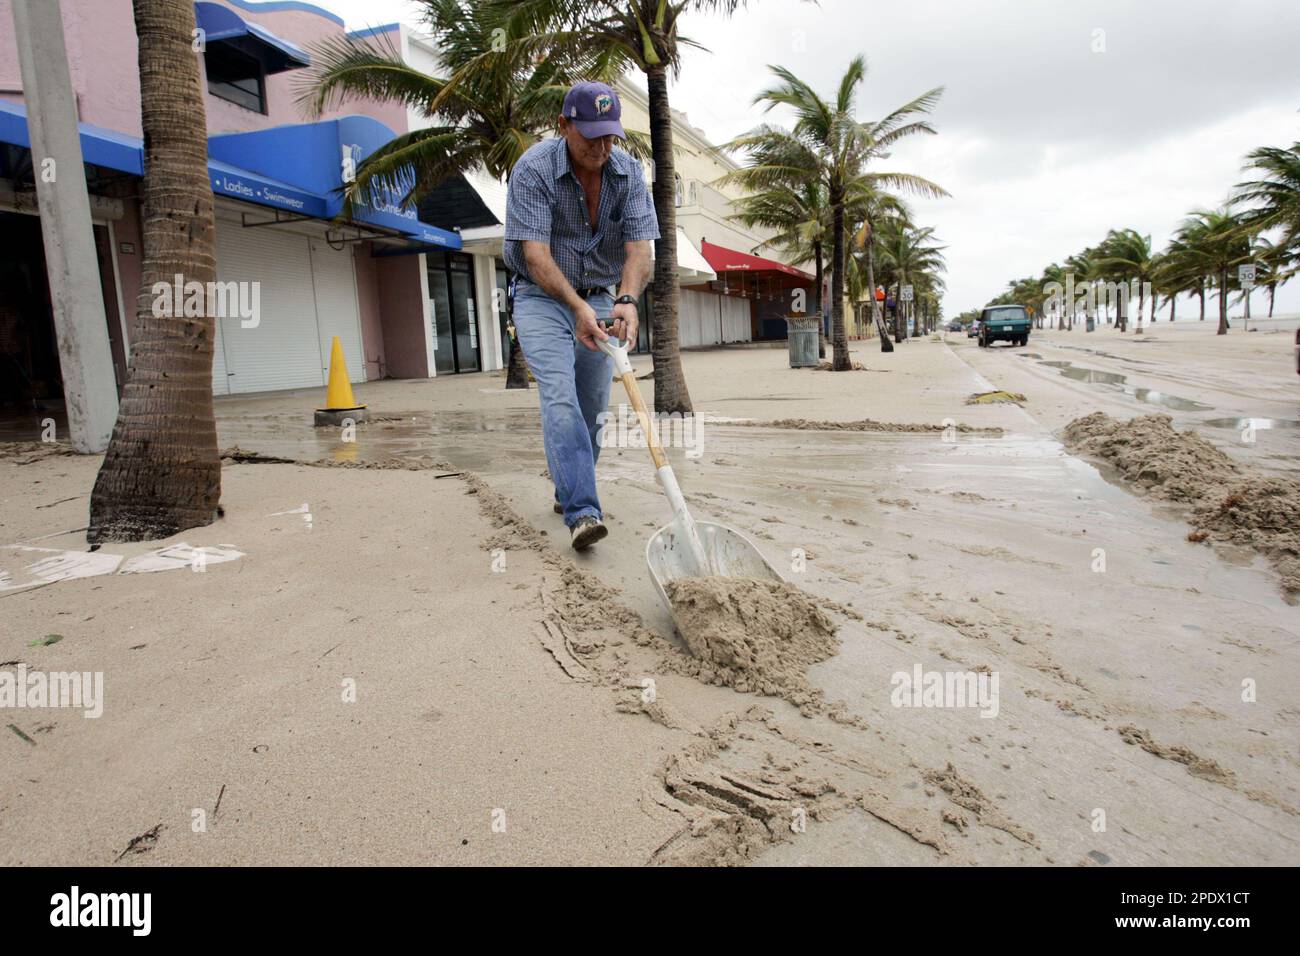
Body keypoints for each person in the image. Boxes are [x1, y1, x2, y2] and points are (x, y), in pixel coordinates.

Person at [503, 80, 659, 550]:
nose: (602, 146)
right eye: (590, 135)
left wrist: (627, 299)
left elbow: (639, 250)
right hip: (540, 296)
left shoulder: (628, 172)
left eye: (610, 135)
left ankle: (568, 485)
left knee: (593, 410)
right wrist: (575, 309)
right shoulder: (532, 169)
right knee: (560, 396)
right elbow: (535, 255)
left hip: (600, 296)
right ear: (564, 125)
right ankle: (583, 512)